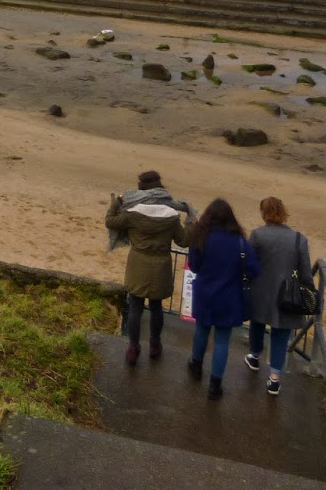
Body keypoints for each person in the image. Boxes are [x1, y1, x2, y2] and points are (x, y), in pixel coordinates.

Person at [106, 170, 192, 365]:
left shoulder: (132, 214)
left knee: (135, 307)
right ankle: (155, 345)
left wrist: (118, 201)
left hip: (138, 264)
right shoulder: (171, 215)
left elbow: (110, 221)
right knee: (156, 307)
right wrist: (191, 223)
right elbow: (184, 240)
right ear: (160, 190)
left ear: (141, 191)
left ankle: (133, 348)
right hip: (161, 265)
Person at [187, 198, 260, 399]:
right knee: (222, 341)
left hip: (205, 293)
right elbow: (254, 269)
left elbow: (193, 266)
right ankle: (215, 385)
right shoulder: (239, 242)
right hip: (229, 296)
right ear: (230, 218)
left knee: (201, 330)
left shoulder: (200, 236)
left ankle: (196, 365)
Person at [246, 197, 316, 396]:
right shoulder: (298, 239)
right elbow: (305, 273)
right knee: (281, 333)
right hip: (287, 293)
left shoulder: (257, 235)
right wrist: (309, 295)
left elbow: (249, 265)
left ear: (264, 213)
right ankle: (274, 378)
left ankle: (254, 356)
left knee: (257, 323)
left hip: (260, 290)